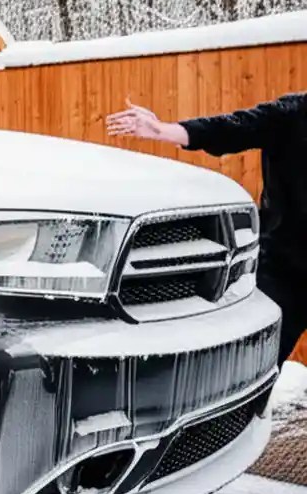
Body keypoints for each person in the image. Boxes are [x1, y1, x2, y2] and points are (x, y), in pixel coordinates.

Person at [107, 94, 306, 366]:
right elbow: (232, 128)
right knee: (255, 364)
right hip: (285, 271)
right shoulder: (290, 115)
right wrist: (165, 130)